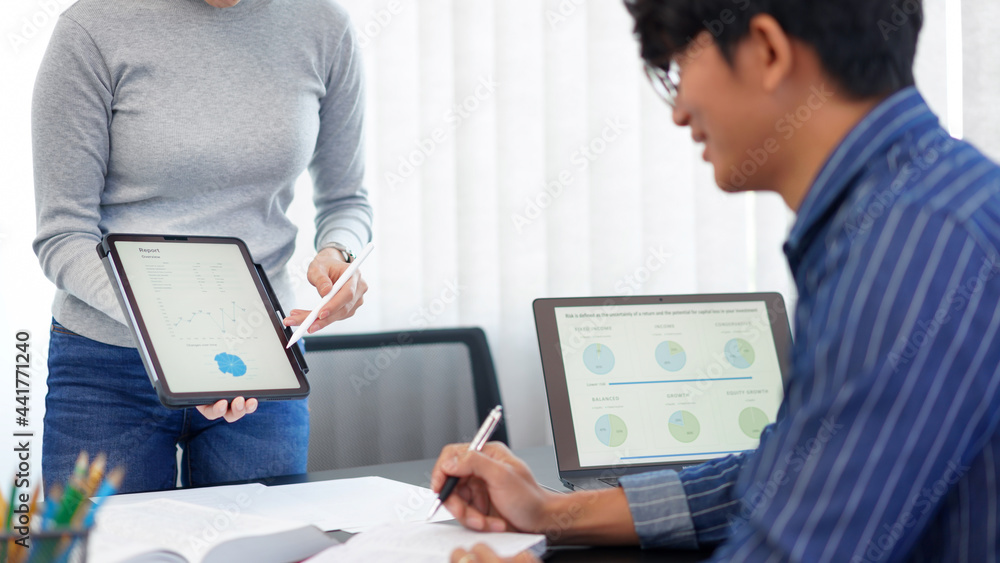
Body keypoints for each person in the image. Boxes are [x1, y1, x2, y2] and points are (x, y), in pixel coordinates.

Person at [432, 0, 1000, 561]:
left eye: (679, 67)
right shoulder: (922, 208)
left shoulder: (911, 245)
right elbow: (796, 476)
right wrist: (552, 513)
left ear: (769, 52)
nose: (678, 111)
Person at [32, 0, 372, 493]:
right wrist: (183, 340)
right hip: (108, 367)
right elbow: (63, 233)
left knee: (260, 546)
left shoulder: (323, 25)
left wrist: (340, 254)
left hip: (261, 355)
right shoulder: (92, 27)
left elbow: (347, 199)